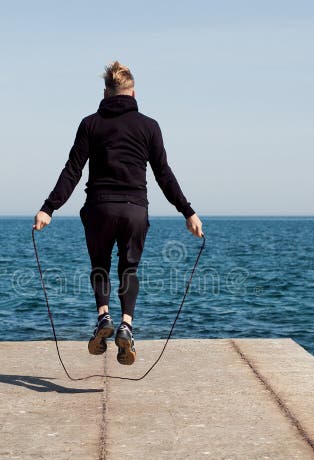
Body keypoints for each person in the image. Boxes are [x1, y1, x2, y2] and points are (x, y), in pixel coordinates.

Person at [33, 61, 203, 365]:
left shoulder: (90, 124)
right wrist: (187, 212)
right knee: (129, 269)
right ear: (133, 92)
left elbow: (72, 170)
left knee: (100, 265)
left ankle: (104, 317)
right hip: (134, 210)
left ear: (105, 93)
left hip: (99, 208)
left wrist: (49, 208)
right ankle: (126, 325)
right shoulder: (149, 126)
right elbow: (163, 174)